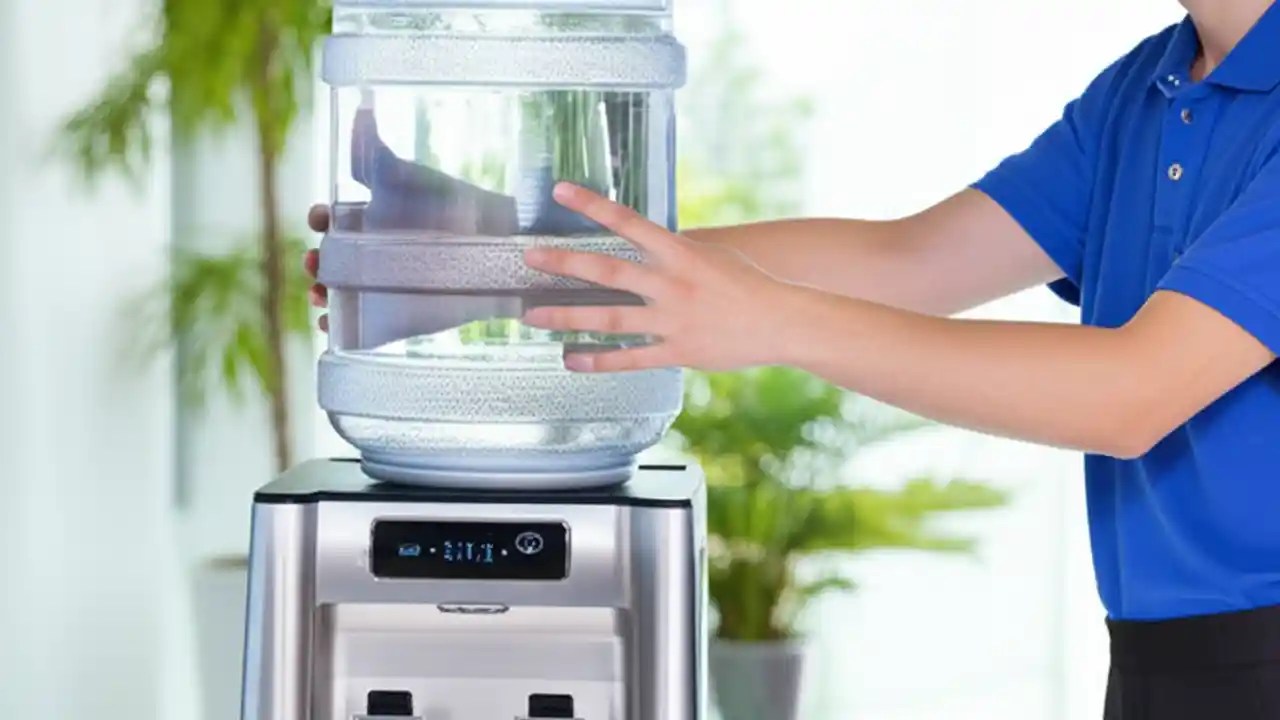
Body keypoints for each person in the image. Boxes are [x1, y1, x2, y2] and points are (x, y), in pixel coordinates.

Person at [305, 1, 1280, 716]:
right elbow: (911, 262)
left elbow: (1132, 392)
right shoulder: (1148, 87)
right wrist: (486, 254)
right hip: (1159, 660)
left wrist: (774, 324)